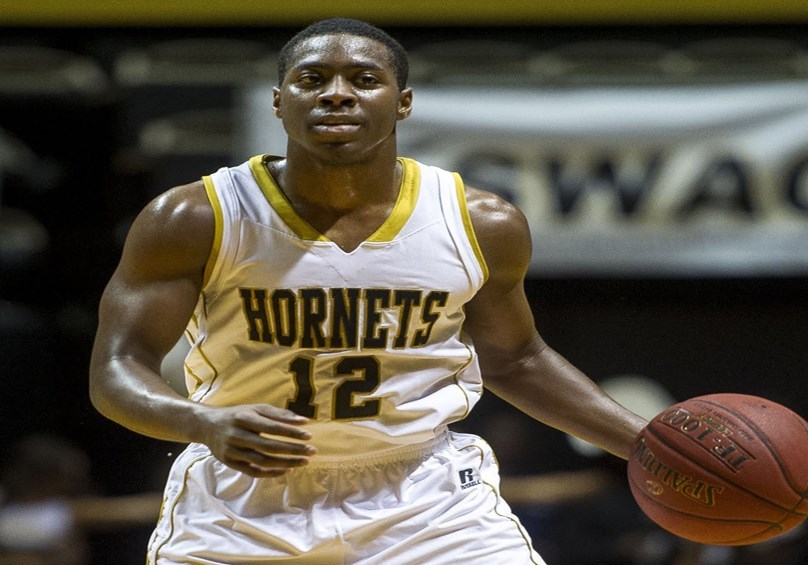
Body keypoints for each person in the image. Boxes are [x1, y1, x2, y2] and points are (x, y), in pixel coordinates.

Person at [89, 17, 647, 564]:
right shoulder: (194, 216)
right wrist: (200, 422)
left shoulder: (479, 222)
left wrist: (650, 447)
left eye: (363, 79)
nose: (337, 95)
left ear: (402, 101)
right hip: (244, 501)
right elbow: (116, 368)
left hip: (426, 499)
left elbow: (517, 360)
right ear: (279, 102)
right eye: (313, 80)